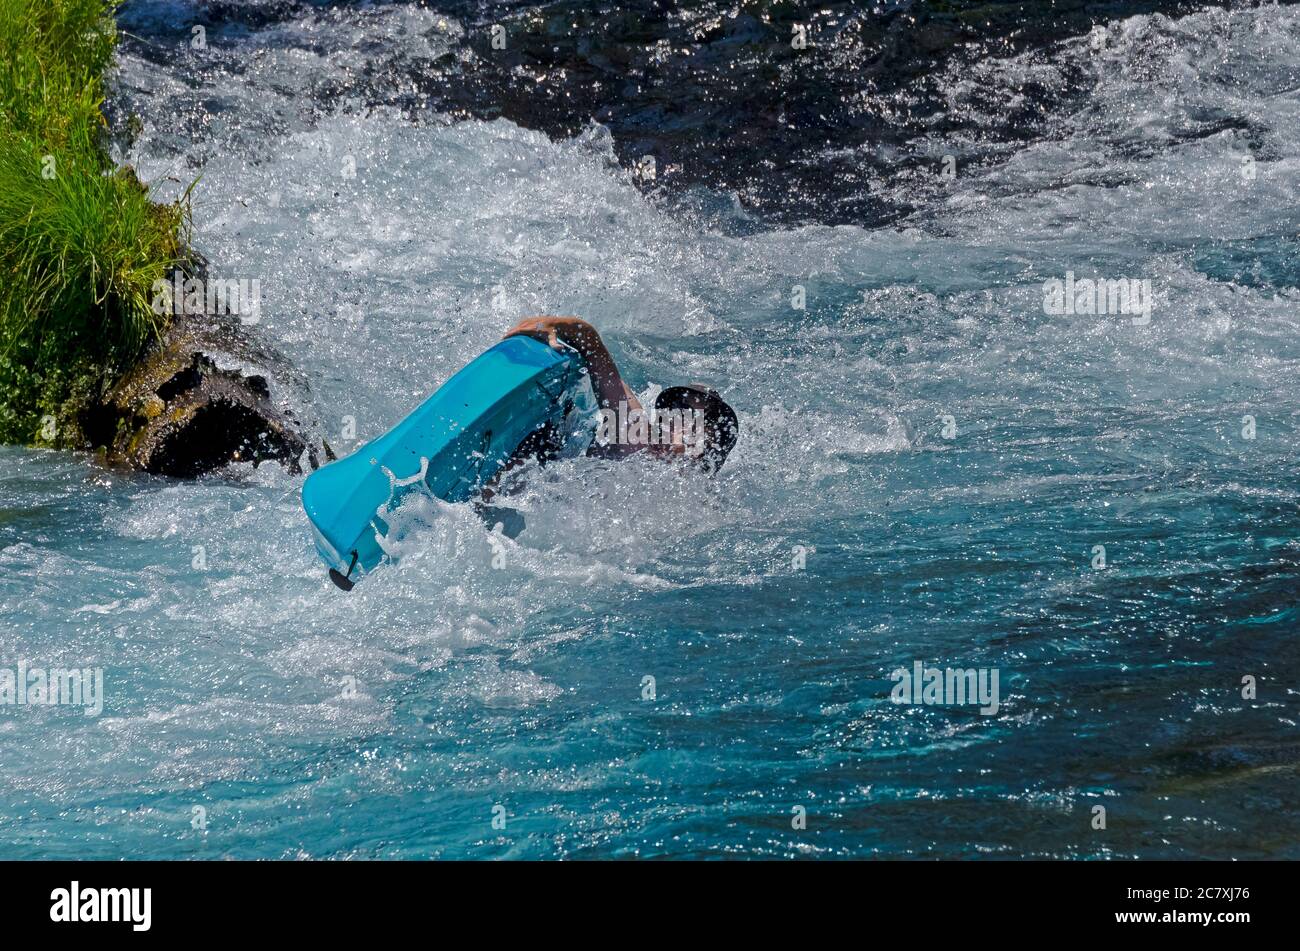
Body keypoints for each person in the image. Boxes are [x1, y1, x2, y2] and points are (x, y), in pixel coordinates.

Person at [501, 316, 739, 474]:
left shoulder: (701, 506)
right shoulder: (636, 441)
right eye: (676, 410)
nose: (676, 420)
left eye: (690, 417)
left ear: (709, 447)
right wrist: (547, 325)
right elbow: (590, 344)